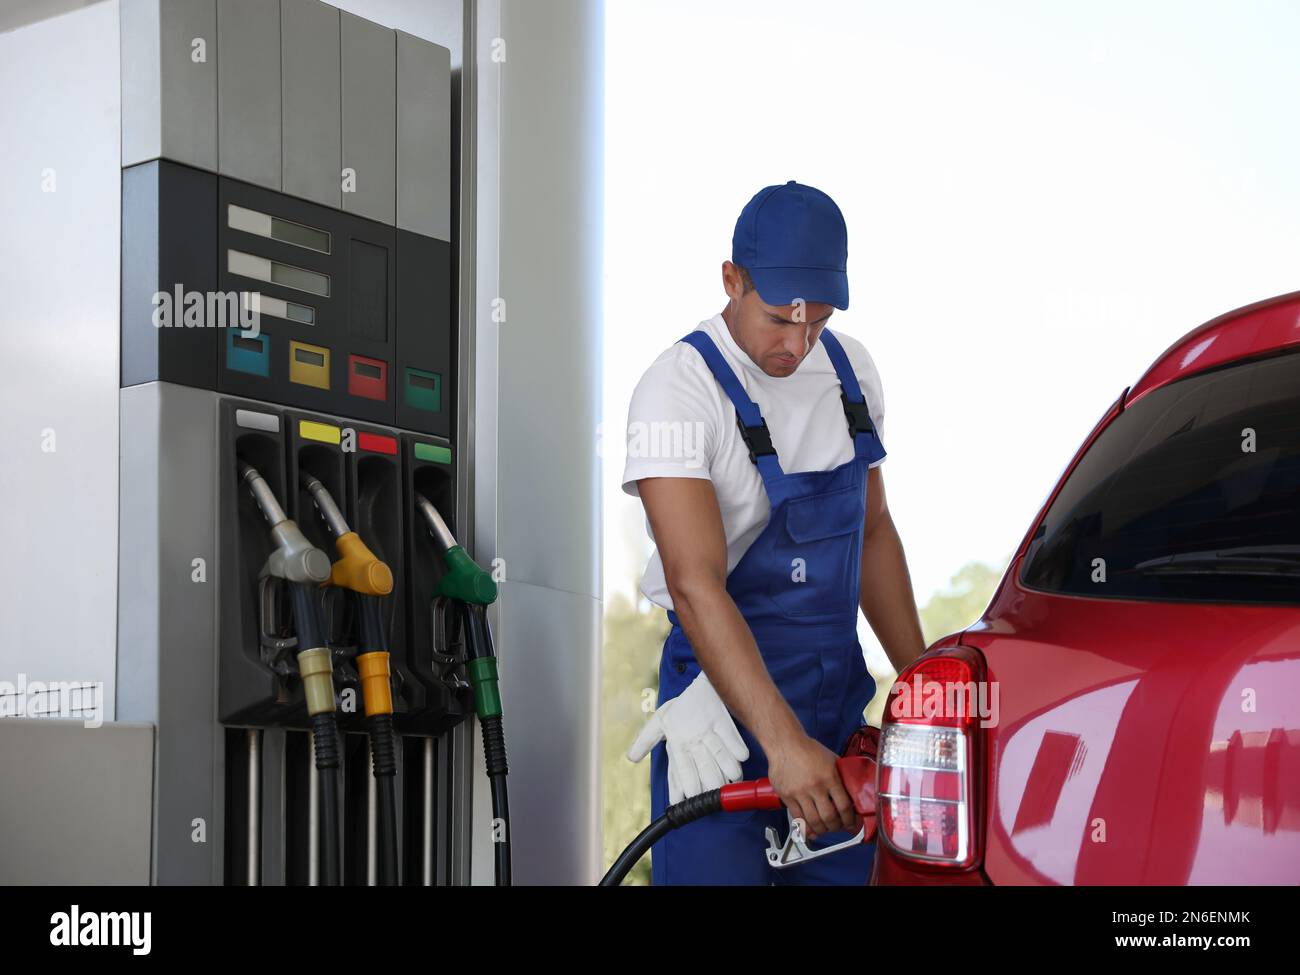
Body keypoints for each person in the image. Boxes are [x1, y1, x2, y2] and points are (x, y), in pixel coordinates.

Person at [622, 181, 925, 884]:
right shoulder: (679, 389)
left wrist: (922, 687)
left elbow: (873, 533)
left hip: (833, 713)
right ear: (732, 280)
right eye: (779, 319)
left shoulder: (851, 375)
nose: (798, 343)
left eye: (815, 320)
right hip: (718, 719)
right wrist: (781, 743)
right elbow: (694, 583)